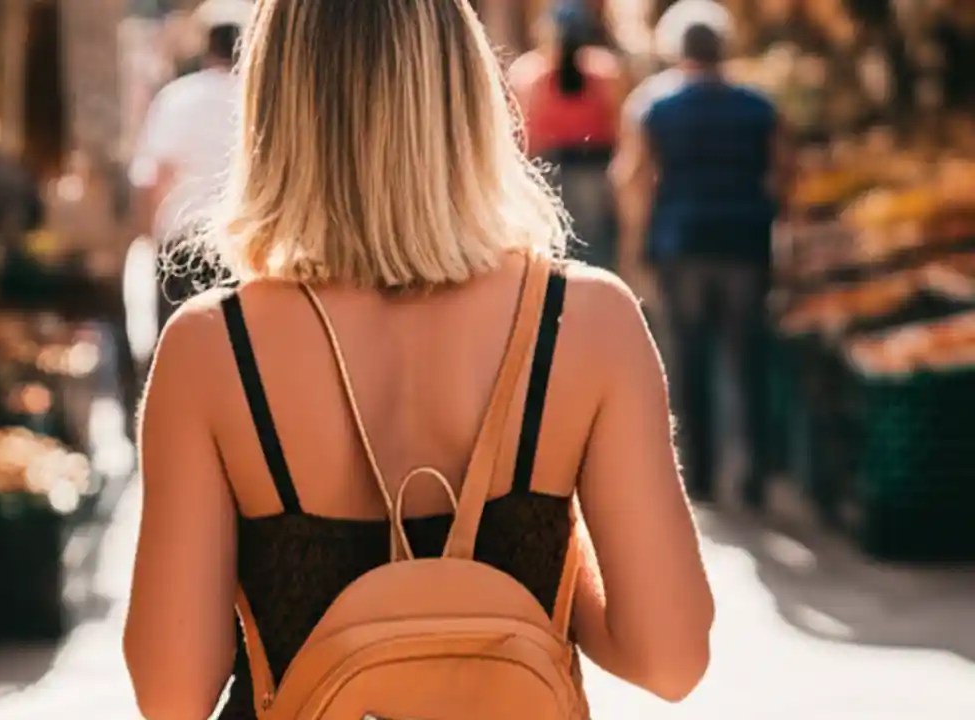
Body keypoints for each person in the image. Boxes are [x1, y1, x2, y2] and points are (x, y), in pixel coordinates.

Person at [125, 1, 713, 718]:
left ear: (276, 110)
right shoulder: (586, 322)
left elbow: (171, 698)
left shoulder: (212, 346)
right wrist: (534, 543)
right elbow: (670, 659)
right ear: (469, 98)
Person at [610, 0, 791, 509]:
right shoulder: (758, 104)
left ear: (676, 48)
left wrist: (632, 249)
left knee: (689, 357)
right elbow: (783, 172)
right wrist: (784, 227)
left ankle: (702, 477)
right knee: (748, 356)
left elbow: (634, 181)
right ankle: (754, 474)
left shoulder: (653, 106)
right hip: (745, 242)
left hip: (682, 243)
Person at [128, 0, 250, 329]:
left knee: (178, 346)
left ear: (207, 45)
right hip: (243, 249)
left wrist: (147, 238)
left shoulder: (178, 97)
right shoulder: (256, 100)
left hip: (183, 251)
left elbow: (154, 177)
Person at [510, 2, 625, 269]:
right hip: (594, 170)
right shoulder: (606, 70)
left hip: (549, 171)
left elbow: (525, 132)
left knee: (554, 245)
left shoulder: (529, 73)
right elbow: (617, 125)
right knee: (595, 246)